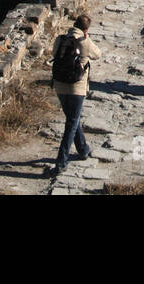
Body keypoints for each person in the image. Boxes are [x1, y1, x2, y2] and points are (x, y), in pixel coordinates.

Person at [49, 14, 101, 174]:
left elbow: (53, 54)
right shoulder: (85, 42)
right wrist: (86, 38)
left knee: (73, 118)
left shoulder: (60, 39)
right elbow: (98, 54)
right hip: (76, 88)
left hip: (59, 86)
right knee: (71, 123)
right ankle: (61, 161)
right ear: (86, 29)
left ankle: (83, 149)